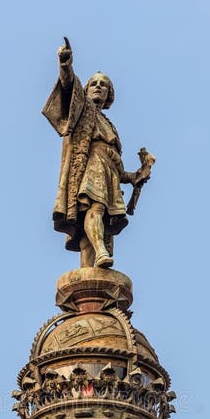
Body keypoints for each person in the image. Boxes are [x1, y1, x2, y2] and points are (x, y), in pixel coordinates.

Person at [42, 38, 143, 268]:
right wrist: (65, 66)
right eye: (94, 83)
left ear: (109, 95)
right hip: (91, 166)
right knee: (94, 207)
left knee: (103, 223)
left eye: (103, 84)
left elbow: (119, 169)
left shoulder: (109, 125)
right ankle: (100, 253)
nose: (98, 86)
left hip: (108, 172)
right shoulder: (83, 110)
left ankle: (93, 266)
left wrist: (136, 176)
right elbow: (69, 89)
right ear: (86, 90)